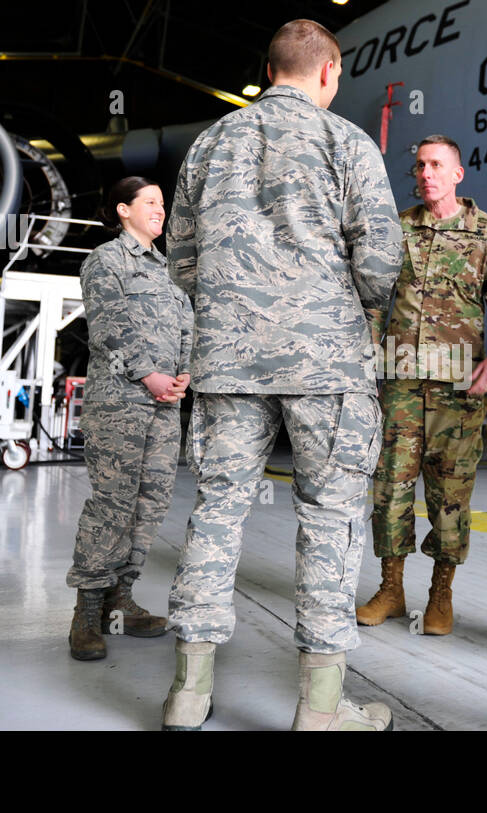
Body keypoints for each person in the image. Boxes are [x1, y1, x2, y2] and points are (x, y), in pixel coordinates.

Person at [162, 19, 403, 731]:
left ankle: (187, 694)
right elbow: (380, 262)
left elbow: (180, 258)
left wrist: (231, 310)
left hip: (228, 362)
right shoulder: (346, 142)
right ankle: (320, 709)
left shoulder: (211, 142)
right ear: (328, 72)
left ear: (269, 71)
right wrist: (341, 307)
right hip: (325, 363)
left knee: (217, 509)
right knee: (330, 518)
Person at [355, 135, 487, 636]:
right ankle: (390, 589)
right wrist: (367, 361)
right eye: (421, 165)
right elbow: (375, 298)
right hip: (400, 384)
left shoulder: (484, 231)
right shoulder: (399, 228)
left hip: (458, 389)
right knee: (390, 489)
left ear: (457, 174)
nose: (426, 173)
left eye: (436, 165)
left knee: (450, 495)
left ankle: (440, 594)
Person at [66, 176, 192, 662]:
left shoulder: (167, 269)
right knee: (112, 505)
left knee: (150, 504)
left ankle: (120, 599)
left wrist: (183, 373)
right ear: (124, 209)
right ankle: (87, 611)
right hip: (119, 404)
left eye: (163, 203)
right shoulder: (107, 260)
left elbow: (187, 327)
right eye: (150, 202)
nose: (160, 210)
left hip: (164, 407)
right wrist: (149, 375)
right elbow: (107, 326)